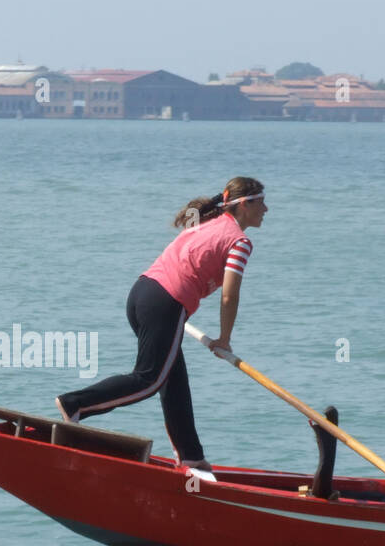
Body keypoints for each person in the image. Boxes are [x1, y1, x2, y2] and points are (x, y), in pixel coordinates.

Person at [55, 176, 267, 471]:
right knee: (149, 380)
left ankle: (191, 454)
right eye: (261, 202)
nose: (266, 209)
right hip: (165, 303)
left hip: (142, 293)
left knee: (173, 380)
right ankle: (75, 404)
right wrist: (224, 339)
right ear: (244, 204)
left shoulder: (208, 222)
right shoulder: (240, 241)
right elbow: (230, 296)